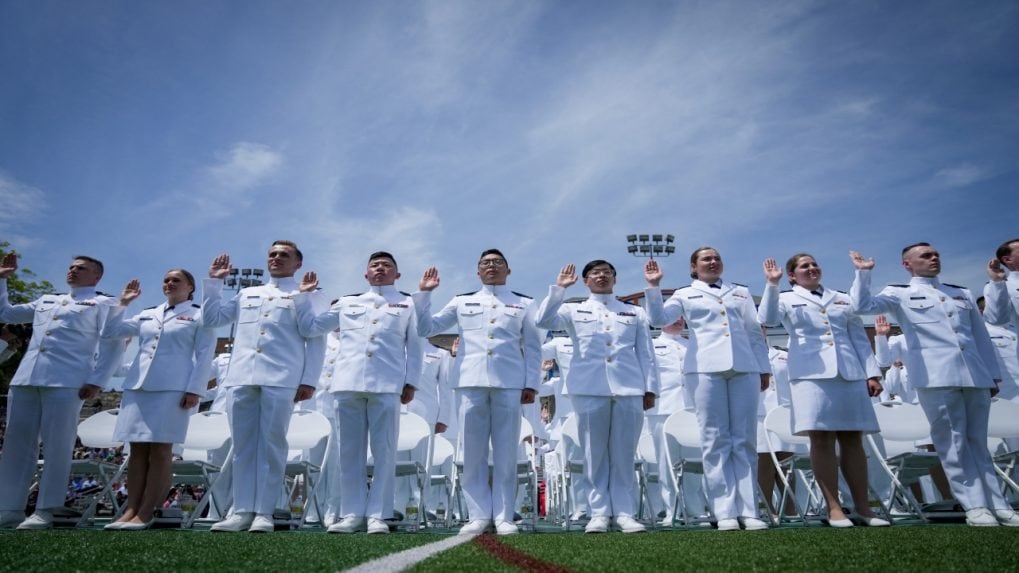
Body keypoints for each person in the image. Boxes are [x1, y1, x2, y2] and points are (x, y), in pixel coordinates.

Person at [849, 244, 1019, 526]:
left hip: (974, 374)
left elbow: (981, 337)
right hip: (936, 376)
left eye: (936, 254)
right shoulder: (898, 293)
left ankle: (998, 504)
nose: (934, 258)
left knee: (979, 442)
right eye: (926, 256)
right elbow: (861, 307)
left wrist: (991, 374)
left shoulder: (960, 293)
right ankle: (975, 505)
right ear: (907, 265)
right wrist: (863, 274)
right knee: (952, 442)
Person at [414, 249, 541, 536]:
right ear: (477, 271)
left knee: (507, 452)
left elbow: (533, 347)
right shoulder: (462, 301)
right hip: (470, 382)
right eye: (486, 263)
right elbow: (426, 328)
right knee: (473, 453)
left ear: (509, 270)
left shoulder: (525, 303)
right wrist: (424, 295)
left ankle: (505, 515)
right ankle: (478, 515)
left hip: (509, 383)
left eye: (498, 263)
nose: (492, 267)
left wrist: (532, 383)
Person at [201, 241, 326, 533]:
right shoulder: (248, 292)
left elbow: (315, 340)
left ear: (298, 264)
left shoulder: (308, 294)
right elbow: (212, 320)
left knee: (272, 444)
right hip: (242, 375)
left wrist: (309, 379)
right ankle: (241, 509)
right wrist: (215, 284)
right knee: (242, 446)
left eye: (285, 255)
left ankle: (264, 512)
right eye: (272, 254)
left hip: (282, 377)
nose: (277, 258)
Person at [296, 251, 423, 534]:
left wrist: (411, 382)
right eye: (375, 265)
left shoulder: (408, 304)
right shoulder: (347, 302)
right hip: (347, 383)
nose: (380, 269)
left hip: (387, 385)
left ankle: (379, 514)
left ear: (397, 275)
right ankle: (351, 513)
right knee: (348, 452)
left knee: (385, 451)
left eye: (387, 265)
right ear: (365, 274)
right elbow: (311, 328)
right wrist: (303, 297)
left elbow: (415, 347)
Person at [643, 248, 771, 531]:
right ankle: (724, 511)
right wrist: (653, 287)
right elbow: (659, 319)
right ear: (693, 266)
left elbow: (753, 331)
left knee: (744, 439)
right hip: (704, 369)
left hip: (745, 368)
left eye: (716, 258)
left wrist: (764, 367)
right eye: (706, 259)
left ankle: (749, 510)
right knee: (714, 439)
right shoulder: (685, 293)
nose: (713, 262)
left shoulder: (740, 292)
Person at [758, 255, 889, 527]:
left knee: (854, 438)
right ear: (792, 275)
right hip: (810, 375)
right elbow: (768, 319)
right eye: (804, 266)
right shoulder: (785, 297)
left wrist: (872, 372)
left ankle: (864, 507)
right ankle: (834, 508)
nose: (812, 268)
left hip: (850, 372)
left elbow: (857, 338)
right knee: (821, 439)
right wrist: (772, 284)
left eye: (814, 264)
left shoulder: (841, 298)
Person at [0, 253, 125, 529]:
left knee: (58, 446)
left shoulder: (103, 302)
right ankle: (9, 507)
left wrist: (98, 380)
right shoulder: (48, 299)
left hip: (68, 381)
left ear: (96, 276)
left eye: (81, 268)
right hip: (28, 377)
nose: (73, 271)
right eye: (71, 267)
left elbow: (113, 342)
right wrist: (2, 279)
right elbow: (5, 313)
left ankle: (45, 509)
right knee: (16, 445)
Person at [535, 261, 658, 534]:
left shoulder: (634, 311)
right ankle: (599, 512)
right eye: (594, 273)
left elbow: (645, 354)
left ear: (615, 278)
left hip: (629, 387)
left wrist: (650, 388)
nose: (601, 276)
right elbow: (542, 321)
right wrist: (559, 290)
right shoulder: (572, 309)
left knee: (624, 452)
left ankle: (625, 512)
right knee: (594, 453)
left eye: (607, 272)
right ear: (585, 281)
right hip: (589, 387)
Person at [100, 270, 216, 530]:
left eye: (176, 280)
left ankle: (147, 510)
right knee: (138, 450)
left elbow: (205, 355)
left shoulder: (199, 315)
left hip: (173, 389)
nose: (170, 283)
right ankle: (130, 509)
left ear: (190, 287)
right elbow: (110, 332)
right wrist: (123, 304)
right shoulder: (147, 313)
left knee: (161, 451)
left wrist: (195, 389)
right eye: (166, 279)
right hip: (138, 387)